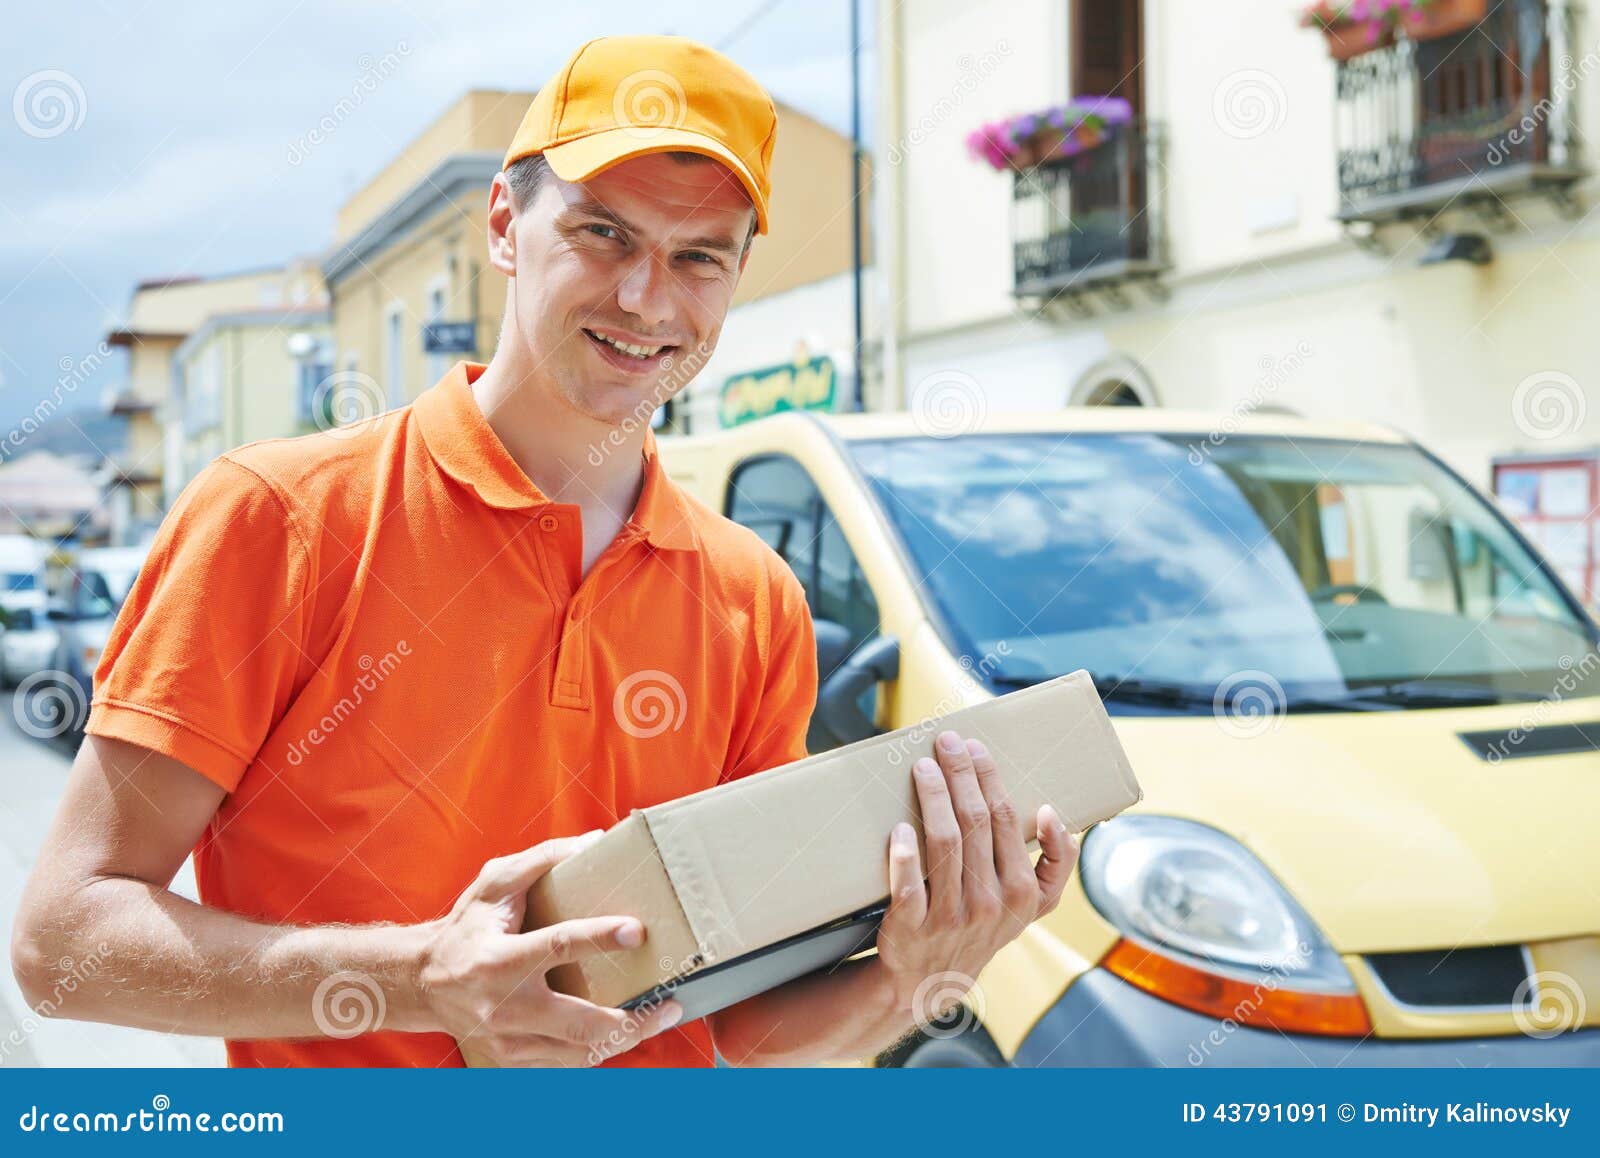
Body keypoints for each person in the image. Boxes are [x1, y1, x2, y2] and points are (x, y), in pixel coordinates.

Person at [10, 34, 1078, 1068]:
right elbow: (62, 949)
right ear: (504, 226)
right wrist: (419, 977)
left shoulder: (754, 600)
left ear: (737, 276)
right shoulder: (277, 521)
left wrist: (920, 972)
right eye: (603, 234)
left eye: (696, 256)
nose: (643, 298)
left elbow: (739, 1036)